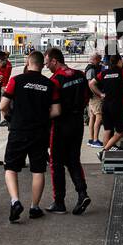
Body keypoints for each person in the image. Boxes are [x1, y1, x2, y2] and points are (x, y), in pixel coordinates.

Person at [1, 50, 60, 222]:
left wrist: (10, 116)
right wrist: (40, 116)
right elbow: (57, 111)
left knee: (11, 168)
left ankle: (15, 201)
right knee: (38, 170)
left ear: (28, 62)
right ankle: (34, 207)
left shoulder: (16, 80)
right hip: (40, 132)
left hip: (18, 130)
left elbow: (3, 104)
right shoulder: (50, 84)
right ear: (43, 65)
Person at [45, 47, 91, 214]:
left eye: (47, 62)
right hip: (77, 123)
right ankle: (82, 193)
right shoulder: (79, 75)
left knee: (56, 163)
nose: (46, 66)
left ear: (54, 61)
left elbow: (53, 107)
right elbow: (86, 98)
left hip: (60, 125)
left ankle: (59, 202)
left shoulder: (55, 80)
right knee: (73, 159)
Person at [90, 54, 123, 155]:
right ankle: (104, 151)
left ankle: (105, 155)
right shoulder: (122, 72)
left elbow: (91, 83)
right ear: (119, 62)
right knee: (119, 132)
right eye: (121, 61)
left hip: (106, 105)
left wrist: (100, 94)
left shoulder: (104, 73)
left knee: (107, 130)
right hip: (117, 106)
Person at [84, 52, 105, 146]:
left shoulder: (92, 68)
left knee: (92, 117)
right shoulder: (91, 69)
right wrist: (100, 94)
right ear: (95, 59)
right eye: (99, 59)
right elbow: (90, 84)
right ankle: (95, 140)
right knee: (99, 116)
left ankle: (92, 139)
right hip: (95, 97)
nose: (100, 62)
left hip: (92, 97)